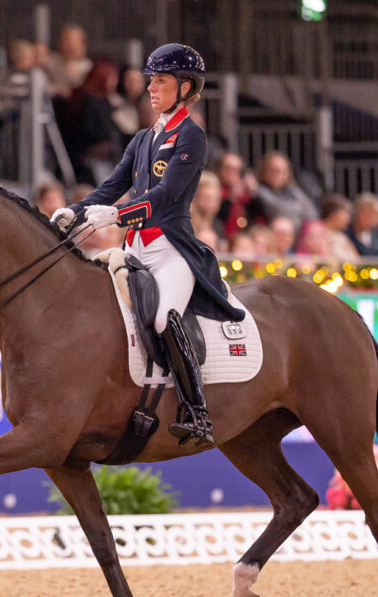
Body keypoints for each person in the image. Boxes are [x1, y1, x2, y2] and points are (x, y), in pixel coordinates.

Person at [51, 43, 243, 448]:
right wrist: (78, 209)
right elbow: (114, 185)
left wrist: (118, 216)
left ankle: (197, 411)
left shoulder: (192, 137)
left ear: (185, 86)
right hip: (134, 249)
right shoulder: (142, 138)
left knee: (163, 317)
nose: (150, 88)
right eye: (151, 80)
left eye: (161, 81)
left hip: (171, 249)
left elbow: (167, 194)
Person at [255, 151, 318, 229]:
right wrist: (298, 209)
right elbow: (279, 209)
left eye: (283, 171)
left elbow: (312, 214)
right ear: (264, 171)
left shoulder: (293, 191)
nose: (278, 175)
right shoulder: (258, 191)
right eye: (274, 170)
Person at [43, 24, 91, 97]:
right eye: (68, 41)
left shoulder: (88, 67)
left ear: (82, 45)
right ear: (60, 42)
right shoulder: (49, 63)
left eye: (75, 42)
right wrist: (58, 89)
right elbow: (41, 86)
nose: (72, 46)